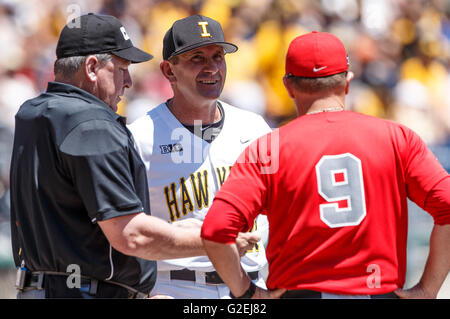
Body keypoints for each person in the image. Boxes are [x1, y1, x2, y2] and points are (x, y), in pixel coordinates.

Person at [9, 13, 256, 299]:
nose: (128, 81)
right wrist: (215, 240)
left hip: (40, 287)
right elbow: (131, 235)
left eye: (218, 56)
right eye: (122, 67)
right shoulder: (93, 124)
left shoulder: (35, 112)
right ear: (91, 67)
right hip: (82, 291)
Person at [201, 31, 450, 299]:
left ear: (288, 85)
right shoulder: (397, 138)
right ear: (347, 82)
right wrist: (427, 289)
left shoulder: (267, 148)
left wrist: (248, 293)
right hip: (376, 291)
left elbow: (216, 230)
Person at [128, 15, 271, 299]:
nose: (212, 68)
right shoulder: (141, 137)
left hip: (254, 287)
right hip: (177, 287)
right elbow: (122, 229)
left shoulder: (254, 128)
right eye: (197, 58)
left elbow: (282, 213)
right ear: (169, 71)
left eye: (218, 56)